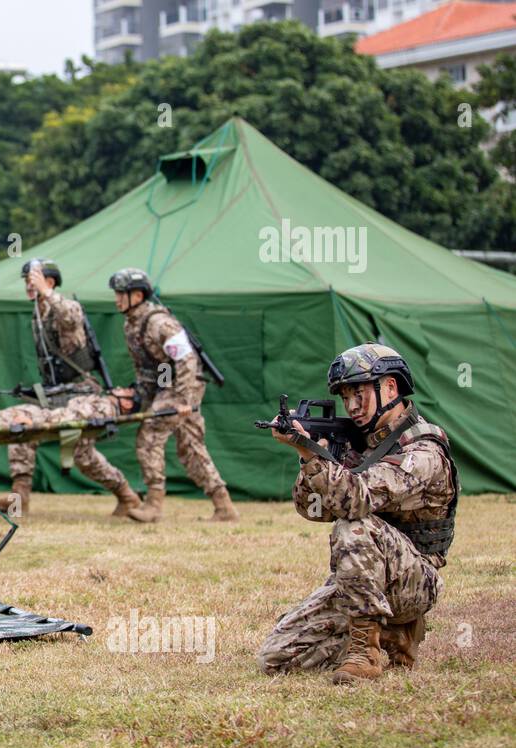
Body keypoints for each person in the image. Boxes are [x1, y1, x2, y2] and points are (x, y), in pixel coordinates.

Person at [257, 343, 458, 684]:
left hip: (413, 581)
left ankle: (366, 653)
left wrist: (313, 454)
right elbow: (314, 509)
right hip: (363, 581)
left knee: (354, 526)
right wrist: (310, 457)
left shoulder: (422, 450)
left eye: (359, 394)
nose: (352, 406)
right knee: (275, 657)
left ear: (390, 388)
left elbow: (357, 499)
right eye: (345, 397)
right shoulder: (360, 444)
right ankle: (394, 637)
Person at [0, 259, 140, 516]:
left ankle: (127, 495)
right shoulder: (38, 314)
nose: (27, 286)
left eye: (31, 280)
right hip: (56, 392)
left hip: (80, 395)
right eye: (26, 281)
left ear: (50, 282)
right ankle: (19, 499)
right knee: (22, 429)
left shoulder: (63, 306)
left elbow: (72, 316)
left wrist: (46, 292)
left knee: (83, 457)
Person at [108, 267, 238, 522]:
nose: (117, 298)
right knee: (191, 447)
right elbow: (145, 368)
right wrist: (136, 393)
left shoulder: (158, 322)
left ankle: (153, 505)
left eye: (121, 293)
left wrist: (184, 400)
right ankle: (224, 506)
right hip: (164, 387)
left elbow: (187, 360)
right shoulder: (130, 324)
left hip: (182, 387)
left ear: (138, 295)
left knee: (150, 434)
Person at [0, 387, 143, 517]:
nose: (119, 388)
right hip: (46, 417)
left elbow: (72, 418)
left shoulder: (104, 406)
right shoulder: (102, 402)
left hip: (39, 418)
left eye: (126, 390)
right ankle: (19, 501)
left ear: (128, 403)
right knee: (86, 458)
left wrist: (37, 422)